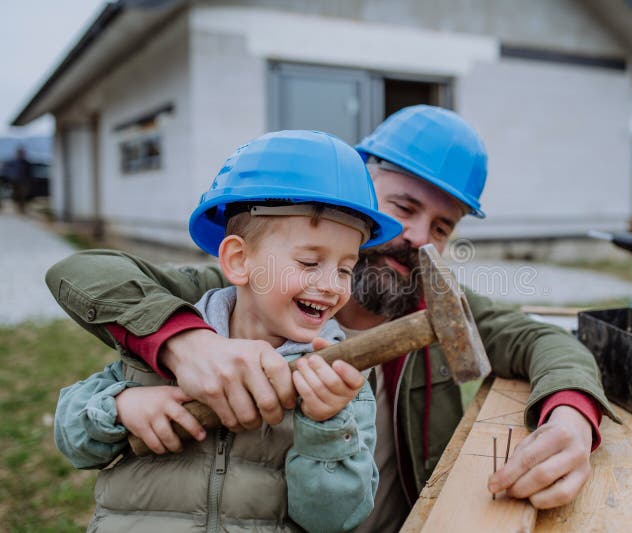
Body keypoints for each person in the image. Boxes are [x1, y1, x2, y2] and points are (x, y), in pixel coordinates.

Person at [47, 106, 620, 532]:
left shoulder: (432, 303)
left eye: (442, 228)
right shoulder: (239, 292)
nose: (418, 238)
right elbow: (83, 271)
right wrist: (186, 346)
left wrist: (571, 417)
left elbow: (541, 339)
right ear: (359, 197)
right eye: (404, 208)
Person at [53, 130, 403, 532]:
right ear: (238, 261)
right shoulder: (161, 345)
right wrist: (118, 409)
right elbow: (72, 439)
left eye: (346, 268)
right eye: (309, 262)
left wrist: (326, 427)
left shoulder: (340, 385)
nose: (332, 285)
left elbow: (334, 520)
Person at [7, 147, 33, 213]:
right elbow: (9, 171)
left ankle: (22, 208)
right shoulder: (13, 162)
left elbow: (30, 173)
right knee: (16, 195)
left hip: (23, 182)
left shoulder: (26, 163)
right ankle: (18, 208)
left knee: (23, 195)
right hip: (15, 182)